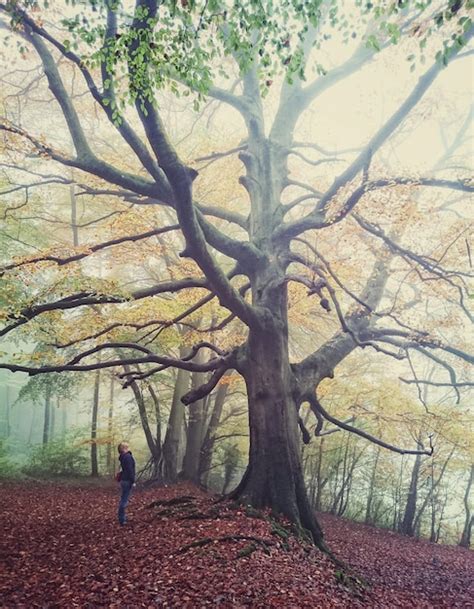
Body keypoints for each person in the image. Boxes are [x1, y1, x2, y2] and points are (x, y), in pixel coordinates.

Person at [117, 441, 136, 526]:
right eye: (127, 447)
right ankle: (122, 519)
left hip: (123, 480)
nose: (129, 448)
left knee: (123, 498)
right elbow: (130, 470)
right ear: (124, 449)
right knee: (124, 500)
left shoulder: (122, 457)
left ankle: (122, 517)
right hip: (127, 480)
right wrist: (133, 481)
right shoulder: (128, 457)